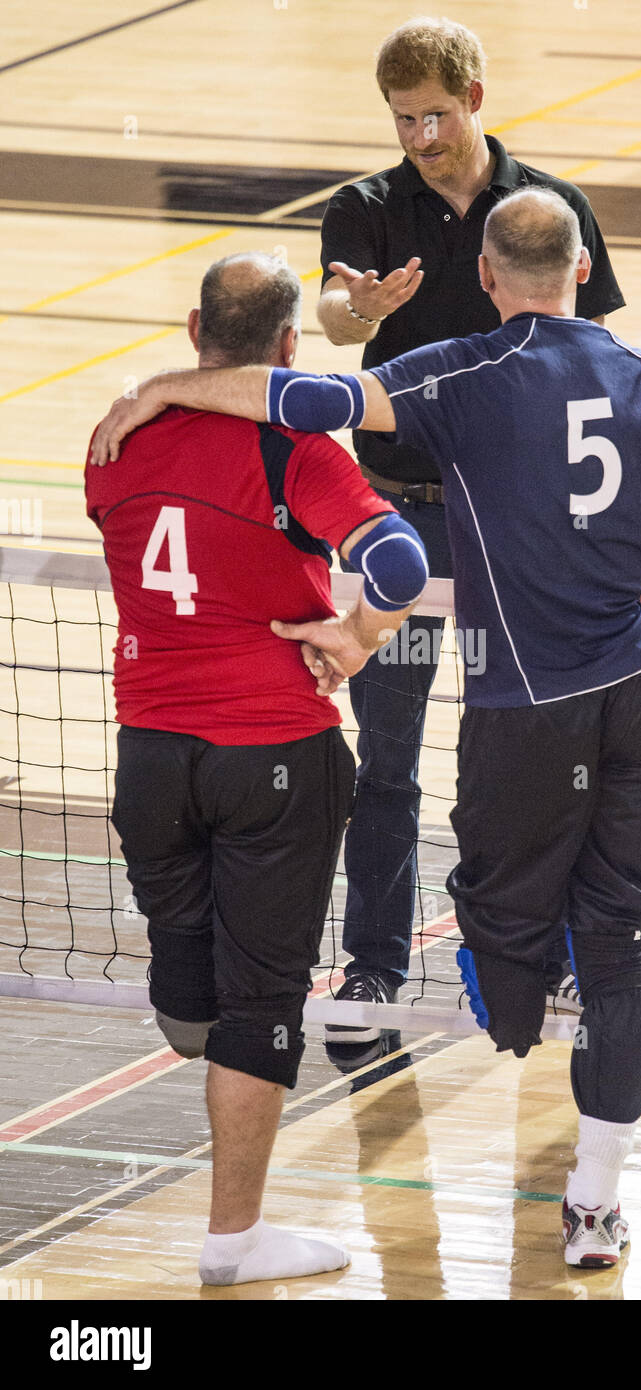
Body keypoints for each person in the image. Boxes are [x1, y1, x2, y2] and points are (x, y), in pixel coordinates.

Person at [89, 189, 641, 1268]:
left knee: (487, 914)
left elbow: (306, 396)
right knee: (619, 949)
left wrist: (161, 386)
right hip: (638, 684)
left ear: (485, 276)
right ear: (582, 269)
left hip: (521, 707)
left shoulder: (462, 371)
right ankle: (595, 1201)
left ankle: (529, 970)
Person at [85, 253, 428, 1286]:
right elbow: (400, 562)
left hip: (148, 755)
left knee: (196, 1010)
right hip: (272, 749)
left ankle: (198, 1010)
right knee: (262, 1004)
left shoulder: (114, 442)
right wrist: (358, 634)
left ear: (195, 329)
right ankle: (234, 1240)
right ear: (290, 348)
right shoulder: (295, 450)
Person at [316, 16, 624, 1039]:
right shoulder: (365, 210)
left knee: (542, 748)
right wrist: (358, 313)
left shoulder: (546, 210)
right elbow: (332, 316)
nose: (419, 135)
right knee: (388, 755)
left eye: (435, 114)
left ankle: (558, 954)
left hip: (518, 526)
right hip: (402, 528)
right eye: (403, 119)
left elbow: (595, 352)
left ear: (476, 98)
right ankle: (371, 968)